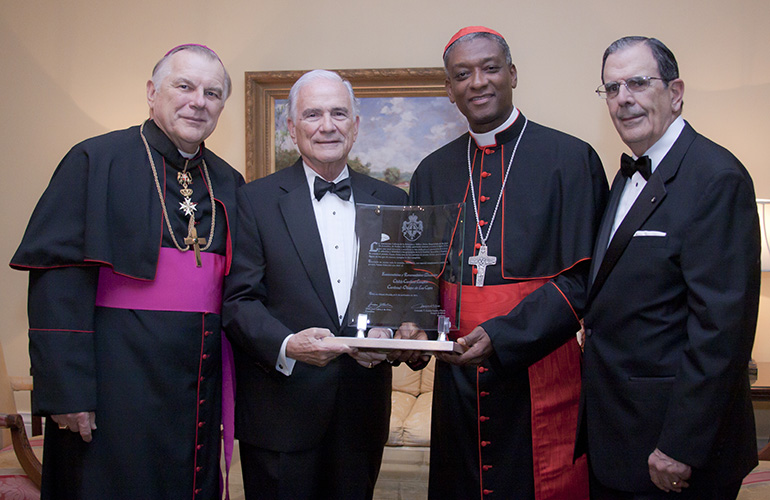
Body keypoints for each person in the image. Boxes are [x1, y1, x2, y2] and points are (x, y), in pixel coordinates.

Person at [9, 44, 244, 499]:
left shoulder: (229, 180)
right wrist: (67, 392)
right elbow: (57, 283)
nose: (199, 100)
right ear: (152, 92)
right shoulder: (95, 161)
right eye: (185, 86)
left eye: (213, 93)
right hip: (114, 385)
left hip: (197, 382)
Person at [408, 26, 609, 500]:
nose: (477, 81)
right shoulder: (432, 170)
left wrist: (505, 335)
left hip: (543, 367)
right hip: (457, 376)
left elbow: (587, 280)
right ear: (449, 89)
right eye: (463, 74)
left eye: (490, 68)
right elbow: (416, 276)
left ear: (512, 74)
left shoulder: (571, 159)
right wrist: (413, 329)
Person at [222, 69, 418, 500]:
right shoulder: (253, 201)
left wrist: (392, 329)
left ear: (355, 125)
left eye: (338, 113)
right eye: (312, 114)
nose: (326, 126)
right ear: (291, 128)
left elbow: (406, 293)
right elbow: (239, 301)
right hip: (281, 412)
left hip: (362, 410)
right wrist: (288, 344)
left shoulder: (393, 200)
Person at [578, 36, 760, 500]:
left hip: (674, 453)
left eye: (638, 82)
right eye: (612, 88)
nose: (624, 99)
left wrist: (681, 446)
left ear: (675, 92)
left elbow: (721, 331)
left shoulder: (716, 177)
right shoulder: (626, 174)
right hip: (619, 436)